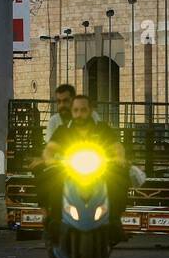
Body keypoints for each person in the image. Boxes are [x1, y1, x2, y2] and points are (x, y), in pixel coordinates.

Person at [40, 95, 128, 248]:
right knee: (49, 182)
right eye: (76, 110)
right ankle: (53, 223)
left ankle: (114, 220)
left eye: (83, 110)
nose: (79, 114)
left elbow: (117, 147)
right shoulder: (63, 130)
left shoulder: (102, 128)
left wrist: (119, 158)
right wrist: (49, 159)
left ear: (90, 110)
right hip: (68, 170)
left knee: (120, 181)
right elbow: (50, 149)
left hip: (99, 169)